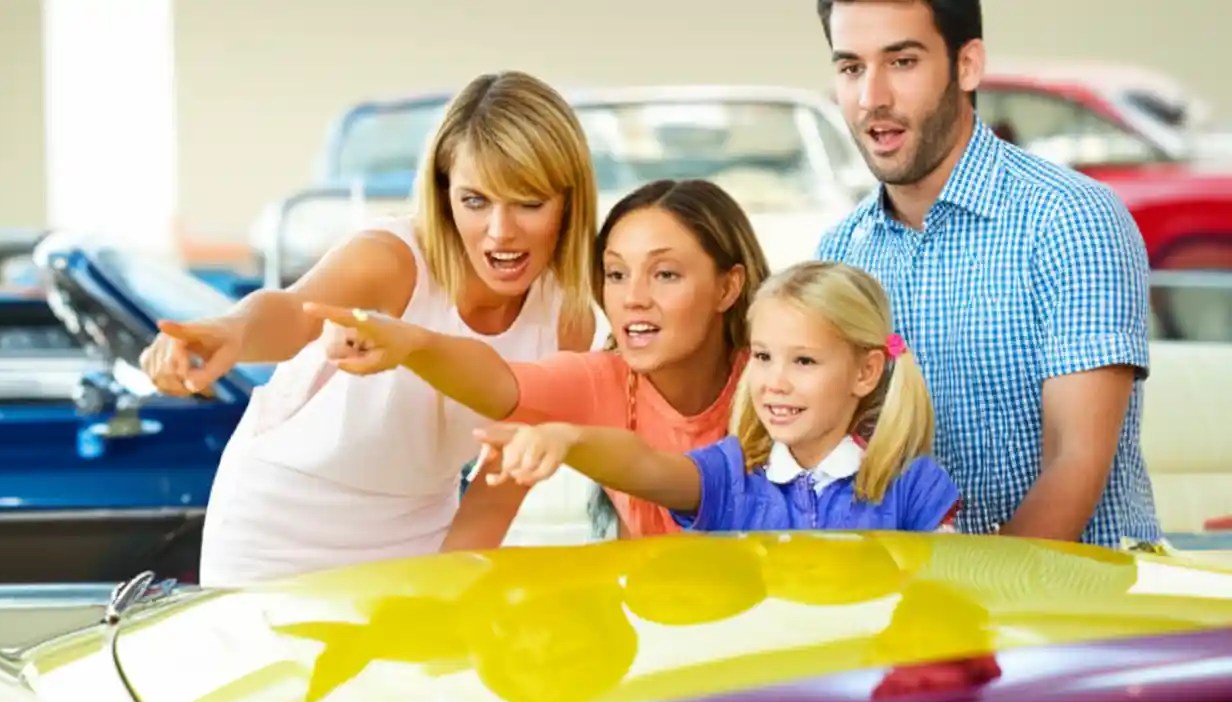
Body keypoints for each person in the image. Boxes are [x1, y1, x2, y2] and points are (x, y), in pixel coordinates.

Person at [137, 70, 600, 586]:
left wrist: (447, 587)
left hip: (417, 529)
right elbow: (294, 313)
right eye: (475, 201)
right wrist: (233, 330)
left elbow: (498, 489)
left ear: (569, 200)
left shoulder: (567, 322)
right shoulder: (391, 260)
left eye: (529, 203)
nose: (500, 232)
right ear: (444, 193)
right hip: (281, 522)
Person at [812, 0, 1159, 546]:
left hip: (1079, 587)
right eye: (851, 67)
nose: (871, 97)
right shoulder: (840, 252)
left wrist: (972, 590)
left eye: (902, 62)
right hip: (910, 590)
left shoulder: (1069, 218)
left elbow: (1073, 462)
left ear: (967, 64)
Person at [303, 179, 772, 547]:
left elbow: (662, 471)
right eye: (615, 273)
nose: (632, 298)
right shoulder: (601, 380)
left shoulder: (776, 380)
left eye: (665, 274)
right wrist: (412, 344)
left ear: (727, 288)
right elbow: (498, 380)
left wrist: (571, 442)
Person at [471, 261, 960, 534]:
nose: (775, 381)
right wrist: (568, 441)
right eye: (763, 357)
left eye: (804, 361)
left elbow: (944, 601)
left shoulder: (914, 487)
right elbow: (644, 466)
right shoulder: (730, 475)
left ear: (866, 371)